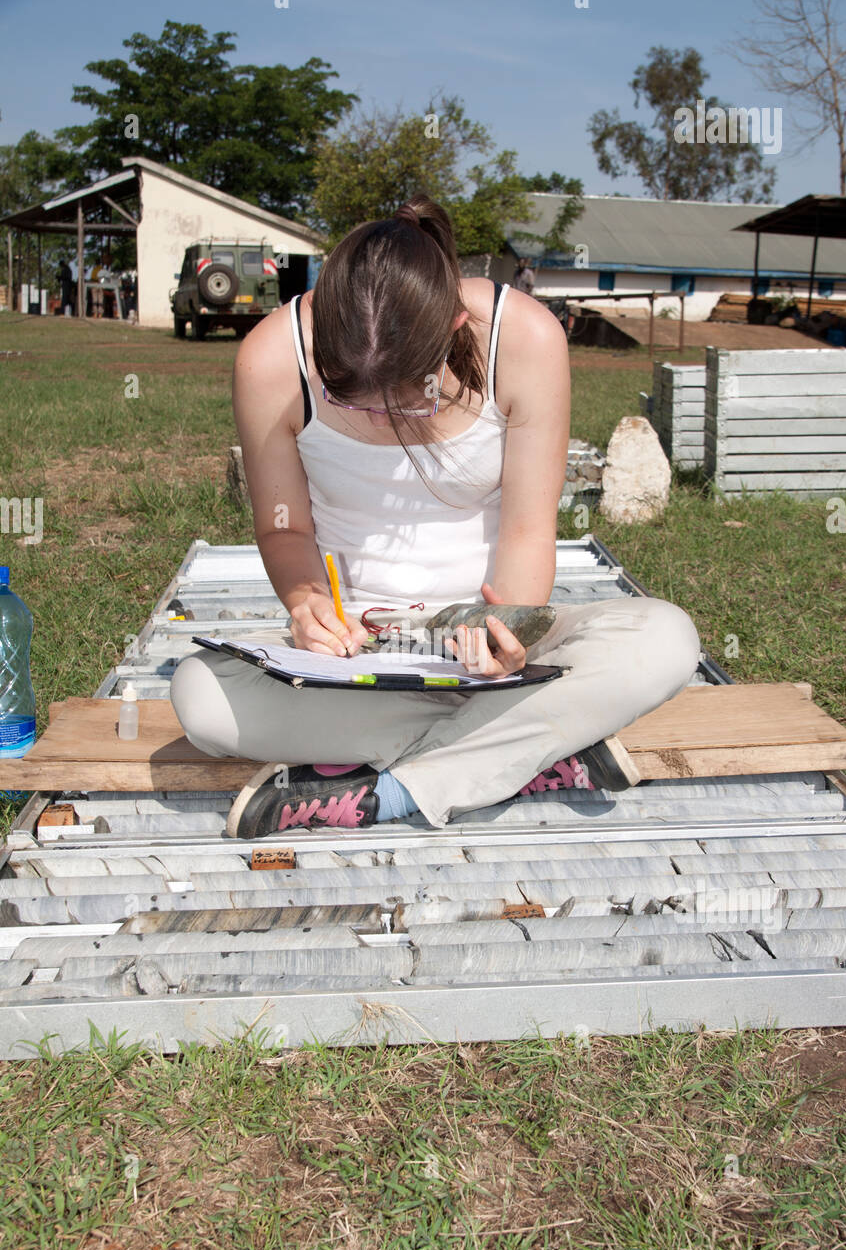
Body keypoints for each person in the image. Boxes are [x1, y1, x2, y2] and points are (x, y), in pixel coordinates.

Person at [170, 194, 700, 838]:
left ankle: (391, 791)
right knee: (199, 698)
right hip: (357, 649)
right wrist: (308, 601)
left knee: (665, 639)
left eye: (404, 399)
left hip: (489, 646)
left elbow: (529, 528)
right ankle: (531, 749)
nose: (380, 419)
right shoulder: (269, 358)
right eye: (349, 398)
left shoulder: (524, 337)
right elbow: (284, 526)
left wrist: (509, 632)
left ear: (453, 328)